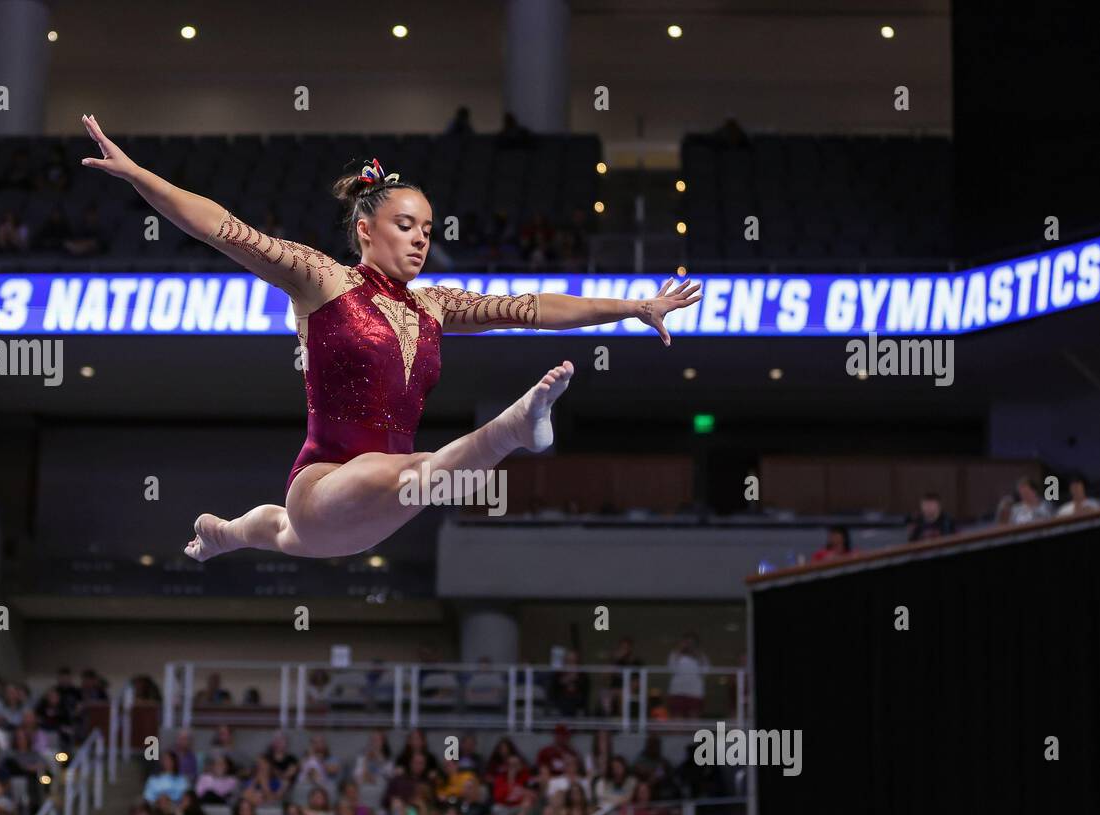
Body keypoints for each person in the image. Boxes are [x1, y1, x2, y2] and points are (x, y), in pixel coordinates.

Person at [75, 116, 698, 560]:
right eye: (407, 225)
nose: (422, 238)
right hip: (325, 482)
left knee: (289, 534)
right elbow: (223, 229)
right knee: (419, 475)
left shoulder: (434, 305)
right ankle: (514, 429)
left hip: (366, 519)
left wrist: (633, 304)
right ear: (367, 228)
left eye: (428, 227)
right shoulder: (322, 280)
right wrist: (138, 176)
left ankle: (225, 533)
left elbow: (536, 306)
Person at [667, 633, 710, 719]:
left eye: (692, 643)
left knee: (694, 719)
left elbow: (706, 671)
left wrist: (698, 655)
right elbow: (670, 669)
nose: (689, 645)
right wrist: (679, 651)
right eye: (687, 642)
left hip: (695, 693)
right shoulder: (675, 655)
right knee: (677, 719)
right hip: (677, 691)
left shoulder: (702, 656)